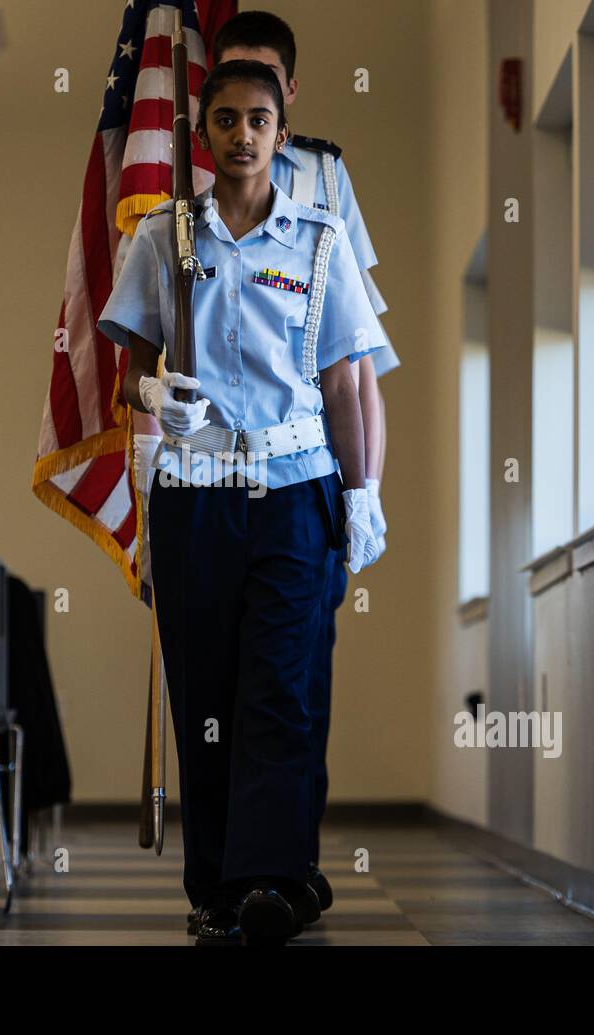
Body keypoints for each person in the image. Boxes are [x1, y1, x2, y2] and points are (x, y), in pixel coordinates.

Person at [99, 59, 384, 945]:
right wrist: (153, 399)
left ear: (279, 134)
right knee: (207, 692)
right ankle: (219, 883)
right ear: (202, 136)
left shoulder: (321, 240)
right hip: (195, 495)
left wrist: (362, 490)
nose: (242, 135)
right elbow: (130, 364)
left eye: (258, 119)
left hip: (295, 489)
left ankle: (270, 877)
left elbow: (344, 379)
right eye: (224, 119)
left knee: (280, 690)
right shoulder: (163, 240)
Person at [213, 11, 398, 913]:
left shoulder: (324, 174)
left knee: (296, 680)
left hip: (308, 468)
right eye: (231, 79)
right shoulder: (186, 181)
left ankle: (289, 862)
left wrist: (365, 492)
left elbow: (357, 356)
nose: (246, 112)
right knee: (229, 684)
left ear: (289, 94)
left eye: (265, 85)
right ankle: (247, 870)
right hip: (208, 477)